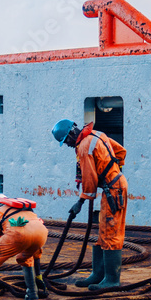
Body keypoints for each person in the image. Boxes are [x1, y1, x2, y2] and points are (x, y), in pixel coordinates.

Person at [51, 118, 128, 290]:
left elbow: (89, 179)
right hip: (113, 186)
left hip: (113, 190)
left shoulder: (85, 147)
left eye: (67, 141)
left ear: (72, 134)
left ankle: (112, 280)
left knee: (111, 232)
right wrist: (113, 171)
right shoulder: (97, 134)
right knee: (104, 231)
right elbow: (121, 151)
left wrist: (80, 202)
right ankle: (98, 275)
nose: (69, 145)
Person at [0, 194, 49, 300]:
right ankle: (33, 294)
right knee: (26, 257)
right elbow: (36, 254)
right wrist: (38, 276)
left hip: (18, 233)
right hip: (42, 232)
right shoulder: (24, 210)